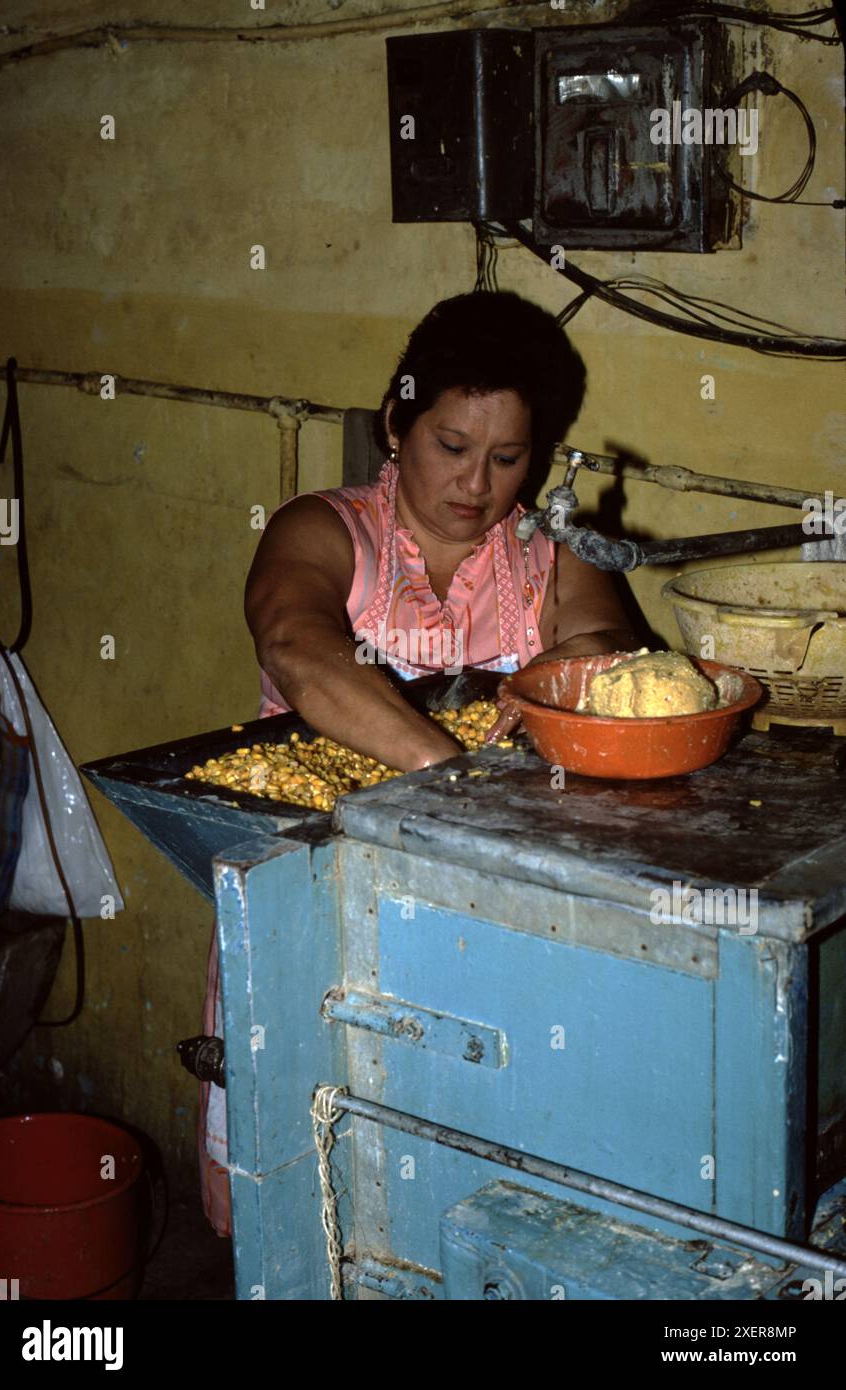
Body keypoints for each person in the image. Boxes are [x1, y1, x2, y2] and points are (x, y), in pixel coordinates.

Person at [198, 291, 636, 1235]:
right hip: (311, 899)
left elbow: (606, 650)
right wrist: (453, 773)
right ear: (397, 421)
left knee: (452, 1189)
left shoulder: (549, 558)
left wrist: (560, 670)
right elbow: (296, 646)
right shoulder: (326, 531)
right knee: (300, 1190)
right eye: (451, 445)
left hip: (481, 912)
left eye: (508, 458)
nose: (477, 483)